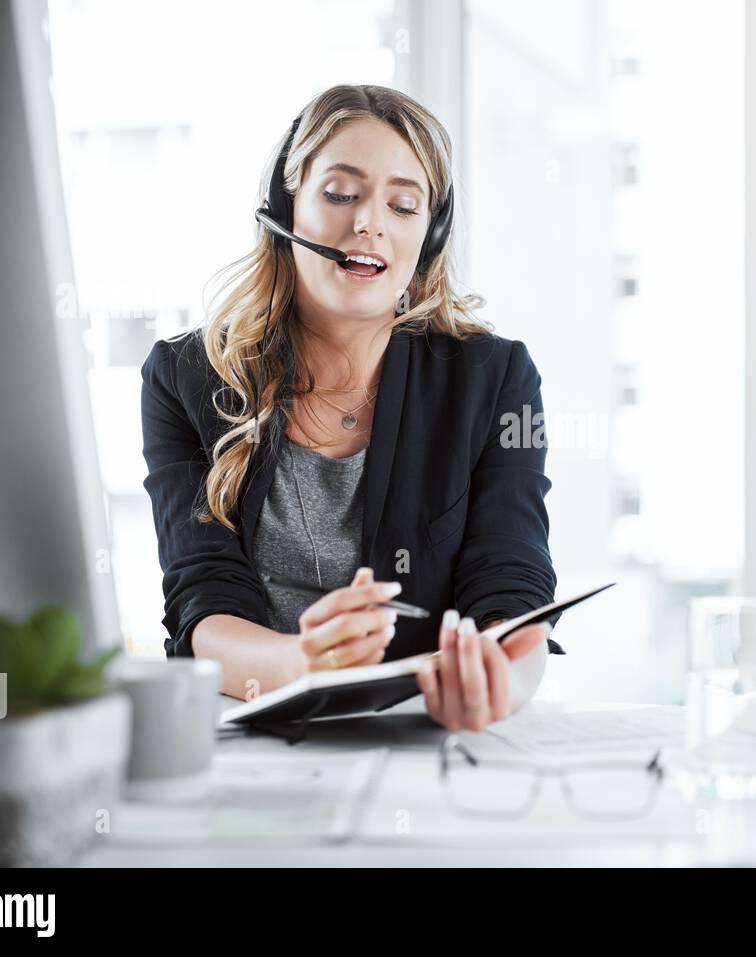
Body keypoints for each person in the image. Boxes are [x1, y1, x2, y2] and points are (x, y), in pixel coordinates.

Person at [140, 84, 561, 732]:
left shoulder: (495, 379)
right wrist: (302, 662)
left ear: (431, 233)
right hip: (258, 751)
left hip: (428, 744)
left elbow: (512, 577)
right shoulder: (186, 378)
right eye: (341, 193)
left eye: (403, 203)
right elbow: (202, 603)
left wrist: (503, 682)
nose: (370, 223)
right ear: (285, 208)